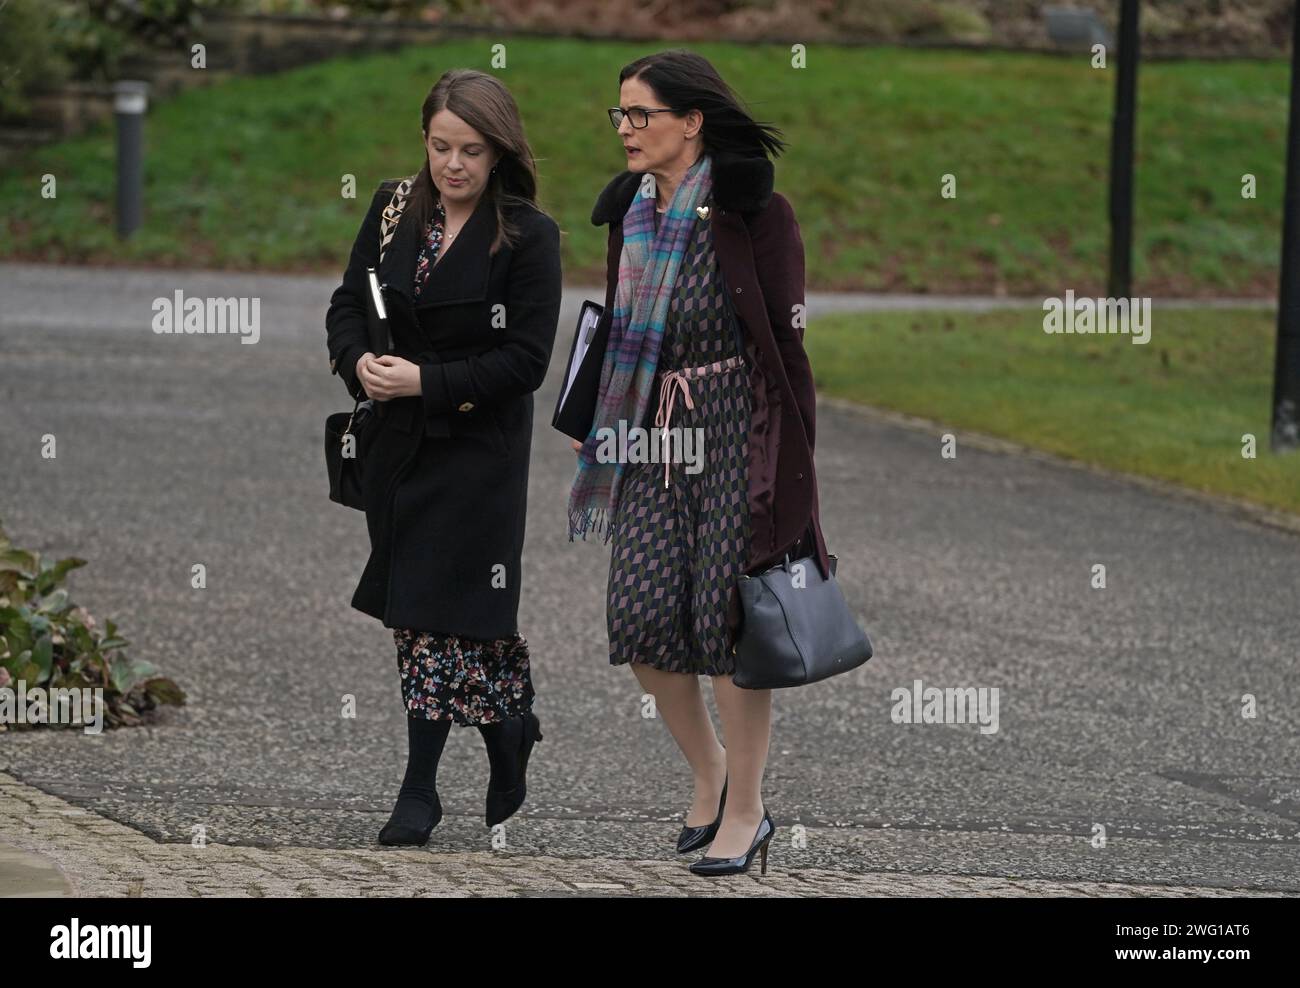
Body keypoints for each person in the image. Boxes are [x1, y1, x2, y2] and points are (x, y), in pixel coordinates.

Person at [567, 50, 830, 876]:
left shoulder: (758, 211)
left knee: (730, 629)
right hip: (648, 435)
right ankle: (711, 772)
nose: (626, 130)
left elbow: (785, 346)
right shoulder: (629, 214)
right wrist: (597, 419)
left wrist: (786, 463)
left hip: (734, 432)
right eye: (620, 115)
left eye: (640, 114)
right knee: (643, 621)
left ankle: (746, 812)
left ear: (692, 122)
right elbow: (618, 329)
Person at [326, 69, 562, 847]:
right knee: (421, 617)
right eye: (439, 146)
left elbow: (525, 362)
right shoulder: (395, 208)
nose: (452, 164)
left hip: (479, 456)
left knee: (447, 613)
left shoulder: (530, 236)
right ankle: (507, 727)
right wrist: (358, 362)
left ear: (499, 152)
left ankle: (418, 789)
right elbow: (348, 305)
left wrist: (428, 381)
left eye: (470, 150)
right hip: (398, 451)